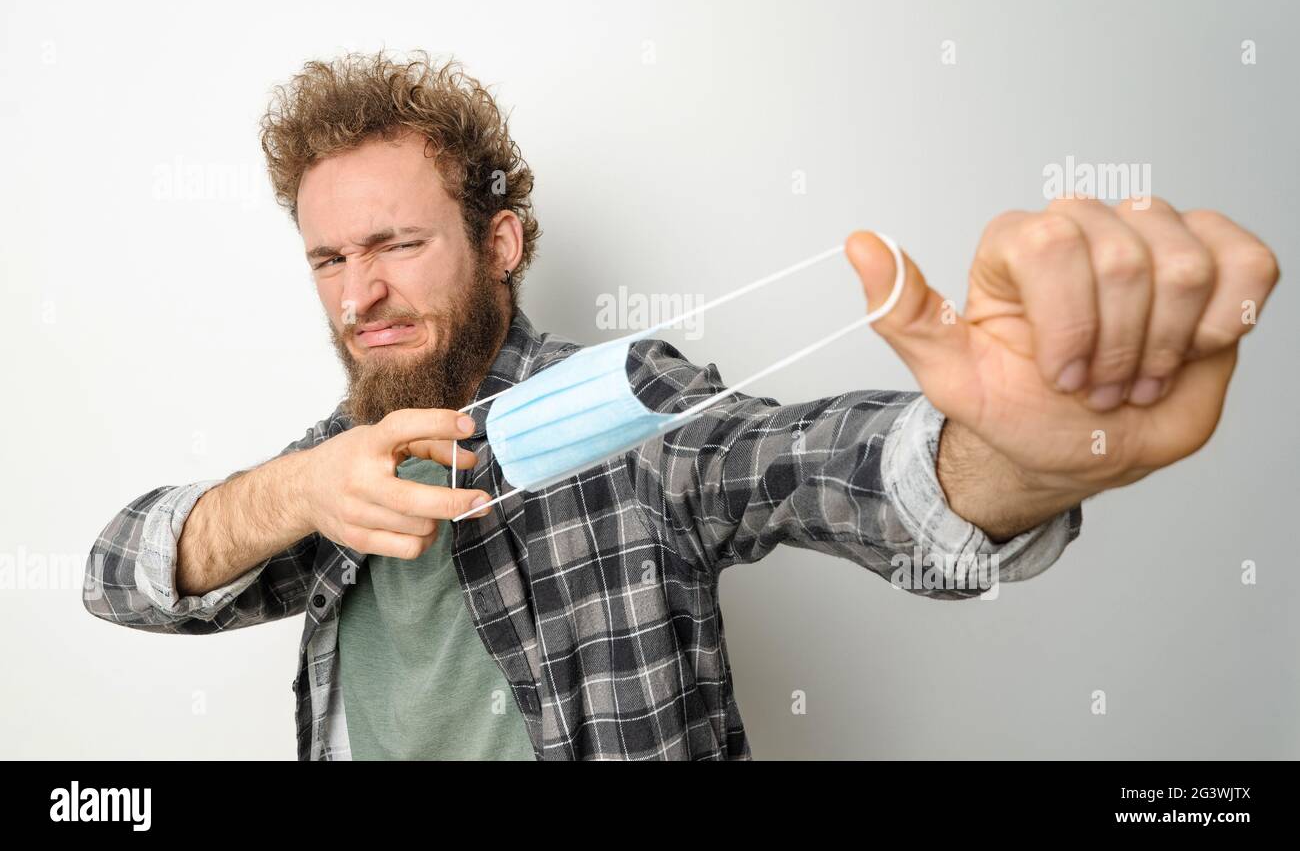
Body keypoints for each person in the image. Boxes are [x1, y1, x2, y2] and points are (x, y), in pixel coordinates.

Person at [83, 51, 1280, 760]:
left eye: (395, 243)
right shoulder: (333, 471)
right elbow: (120, 574)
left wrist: (1020, 455)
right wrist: (299, 489)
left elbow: (835, 469)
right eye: (329, 260)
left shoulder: (628, 415)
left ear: (500, 241)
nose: (363, 293)